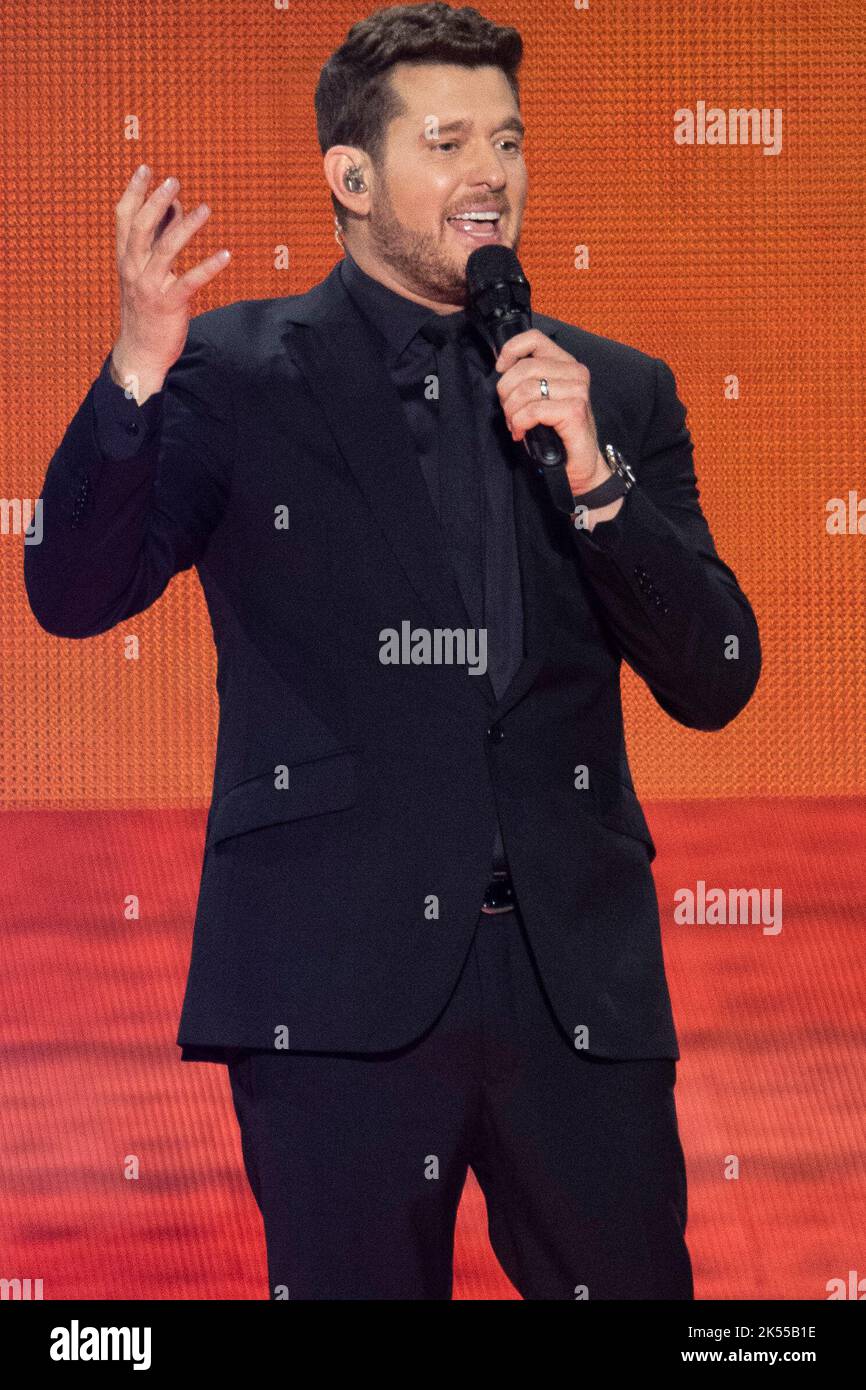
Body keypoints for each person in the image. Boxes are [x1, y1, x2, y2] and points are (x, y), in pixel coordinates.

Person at [24, 2, 761, 1300]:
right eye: (448, 140)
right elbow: (72, 590)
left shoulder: (608, 389)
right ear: (350, 177)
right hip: (331, 985)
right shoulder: (235, 372)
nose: (491, 172)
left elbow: (717, 673)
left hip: (571, 988)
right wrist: (138, 371)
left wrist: (597, 484)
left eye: (509, 140)